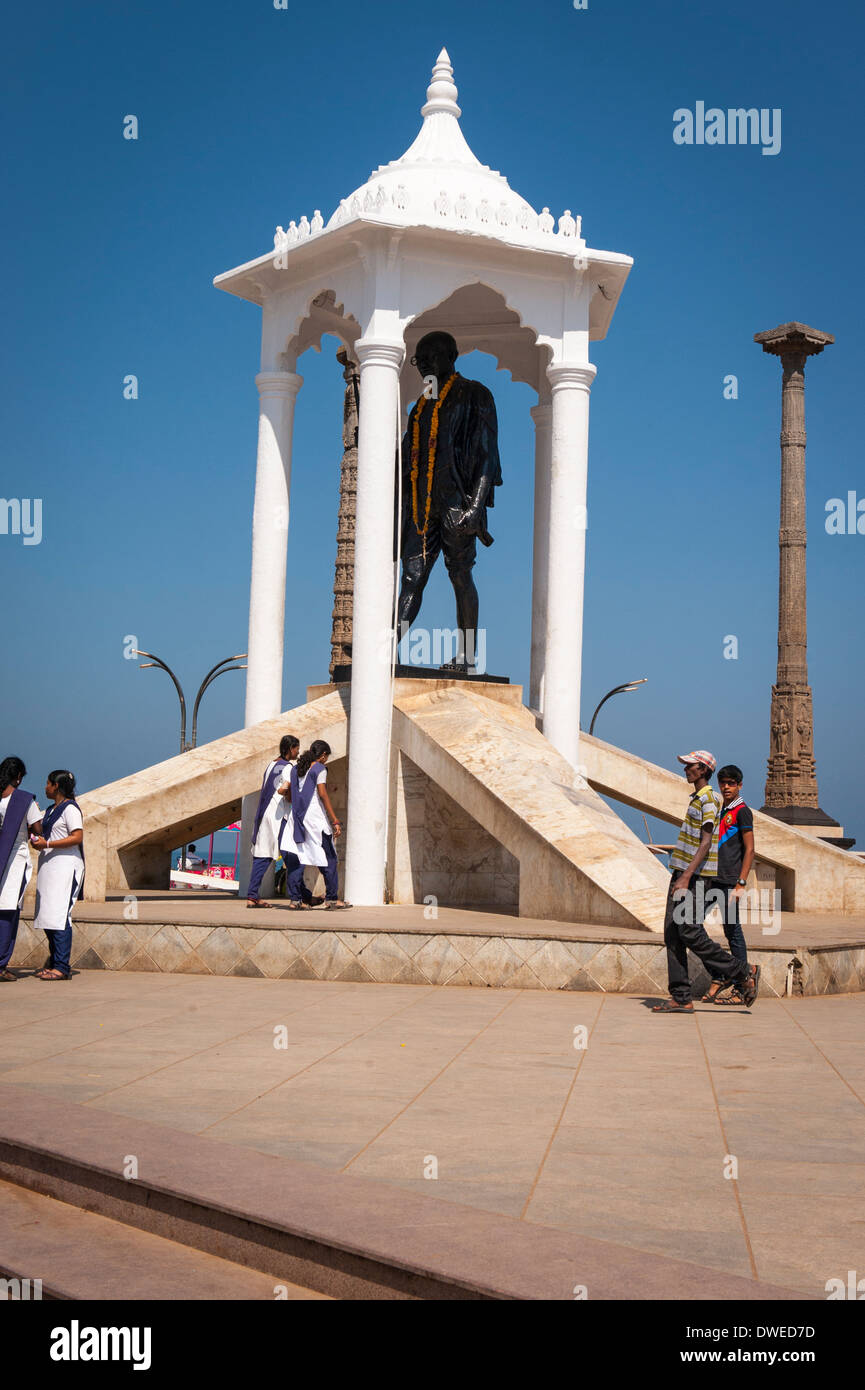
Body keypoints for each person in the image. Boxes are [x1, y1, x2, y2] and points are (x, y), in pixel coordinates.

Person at [396, 331, 502, 670]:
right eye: (419, 359)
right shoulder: (420, 406)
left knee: (460, 575)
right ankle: (382, 648)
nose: (423, 365)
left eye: (431, 357)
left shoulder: (474, 394)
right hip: (422, 506)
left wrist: (475, 508)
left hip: (458, 503)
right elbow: (407, 456)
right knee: (411, 577)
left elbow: (487, 455)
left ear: (451, 357)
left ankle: (467, 657)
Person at [652, 750, 759, 1013]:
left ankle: (742, 972)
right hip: (686, 874)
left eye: (690, 765)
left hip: (696, 877)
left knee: (695, 930)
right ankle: (681, 996)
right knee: (674, 935)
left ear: (703, 770)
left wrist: (688, 876)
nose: (685, 769)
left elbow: (707, 841)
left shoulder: (710, 801)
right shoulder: (701, 799)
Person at [701, 765, 755, 1005]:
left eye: (731, 783)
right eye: (723, 783)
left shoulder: (742, 811)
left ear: (739, 785)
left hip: (730, 881)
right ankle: (720, 974)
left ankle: (743, 986)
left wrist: (741, 882)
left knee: (733, 931)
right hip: (711, 879)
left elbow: (750, 849)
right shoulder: (720, 809)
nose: (726, 787)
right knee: (690, 924)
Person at [247, 734, 319, 908]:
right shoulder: (288, 768)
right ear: (290, 749)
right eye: (297, 748)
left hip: (265, 814)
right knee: (293, 856)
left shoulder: (271, 764)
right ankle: (298, 898)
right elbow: (287, 794)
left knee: (262, 856)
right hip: (280, 817)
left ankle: (252, 896)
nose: (298, 752)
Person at [279, 741, 350, 910]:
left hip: (297, 819)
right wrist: (335, 820)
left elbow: (289, 795)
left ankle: (295, 900)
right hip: (316, 820)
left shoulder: (295, 769)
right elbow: (323, 795)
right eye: (327, 757)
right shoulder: (320, 769)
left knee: (297, 860)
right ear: (323, 755)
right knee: (329, 858)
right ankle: (331, 899)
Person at [30, 770, 84, 981]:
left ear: (56, 786)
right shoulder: (52, 810)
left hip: (65, 867)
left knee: (60, 916)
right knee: (48, 916)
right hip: (50, 868)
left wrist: (49, 844)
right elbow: (44, 834)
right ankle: (54, 962)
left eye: (48, 783)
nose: (45, 787)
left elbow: (77, 836)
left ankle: (62, 966)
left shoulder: (70, 809)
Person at [0, 756, 42, 982]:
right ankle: (0, 965)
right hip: (15, 860)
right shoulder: (24, 800)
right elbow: (37, 828)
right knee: (8, 912)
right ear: (18, 777)